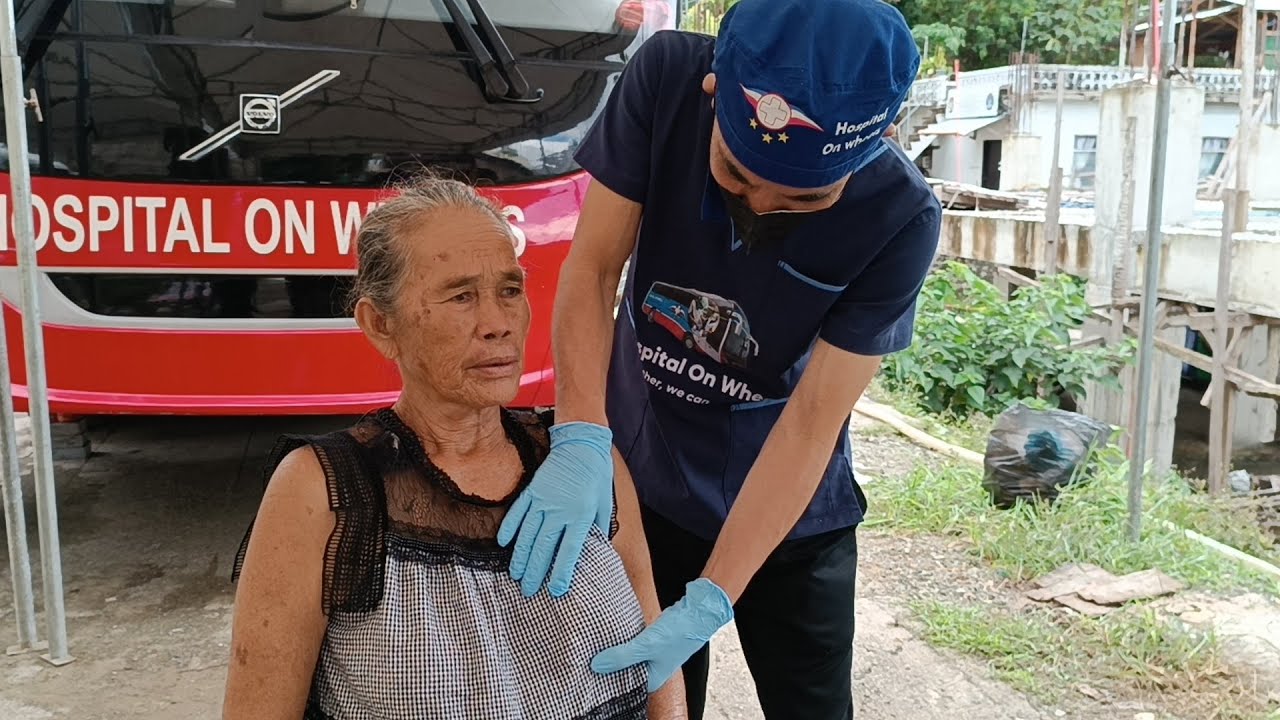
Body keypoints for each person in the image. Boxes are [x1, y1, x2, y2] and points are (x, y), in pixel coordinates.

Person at [496, 0, 942, 717]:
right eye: (736, 172)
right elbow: (593, 270)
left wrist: (712, 600)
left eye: (804, 198)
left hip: (790, 516)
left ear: (880, 140)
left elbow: (813, 422)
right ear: (713, 90)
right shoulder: (667, 80)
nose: (759, 207)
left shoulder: (903, 216)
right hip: (651, 483)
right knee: (656, 703)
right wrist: (579, 435)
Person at [222, 173, 686, 719]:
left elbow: (656, 651)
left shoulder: (581, 461)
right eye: (461, 296)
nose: (498, 324)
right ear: (380, 325)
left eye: (509, 290)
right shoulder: (322, 492)